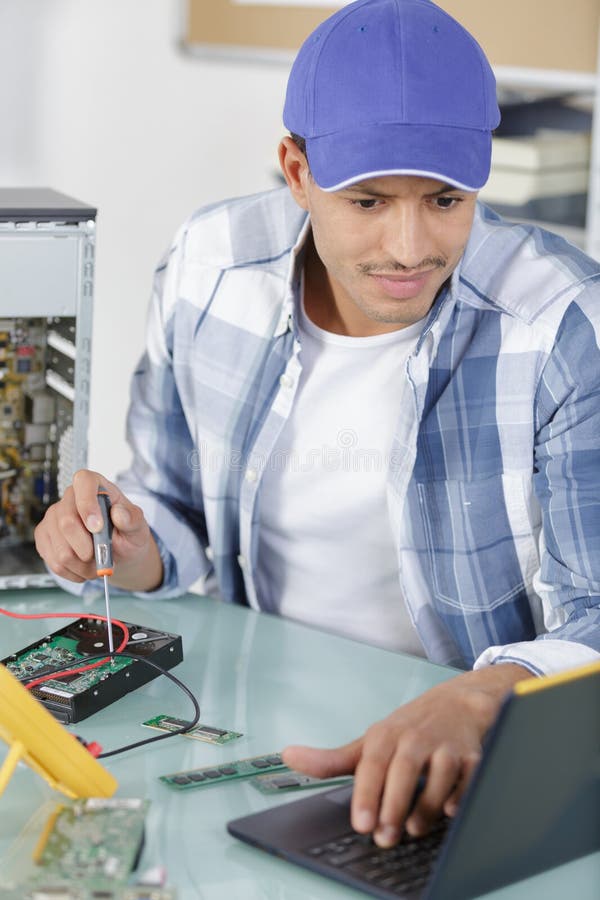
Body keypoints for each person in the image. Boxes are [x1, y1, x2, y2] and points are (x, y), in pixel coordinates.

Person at [35, 0, 600, 849]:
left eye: (446, 199)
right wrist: (130, 545)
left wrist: (486, 693)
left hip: (471, 751)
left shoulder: (564, 323)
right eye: (368, 201)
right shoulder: (208, 266)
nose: (410, 247)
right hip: (247, 725)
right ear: (296, 171)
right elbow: (175, 506)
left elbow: (593, 609)